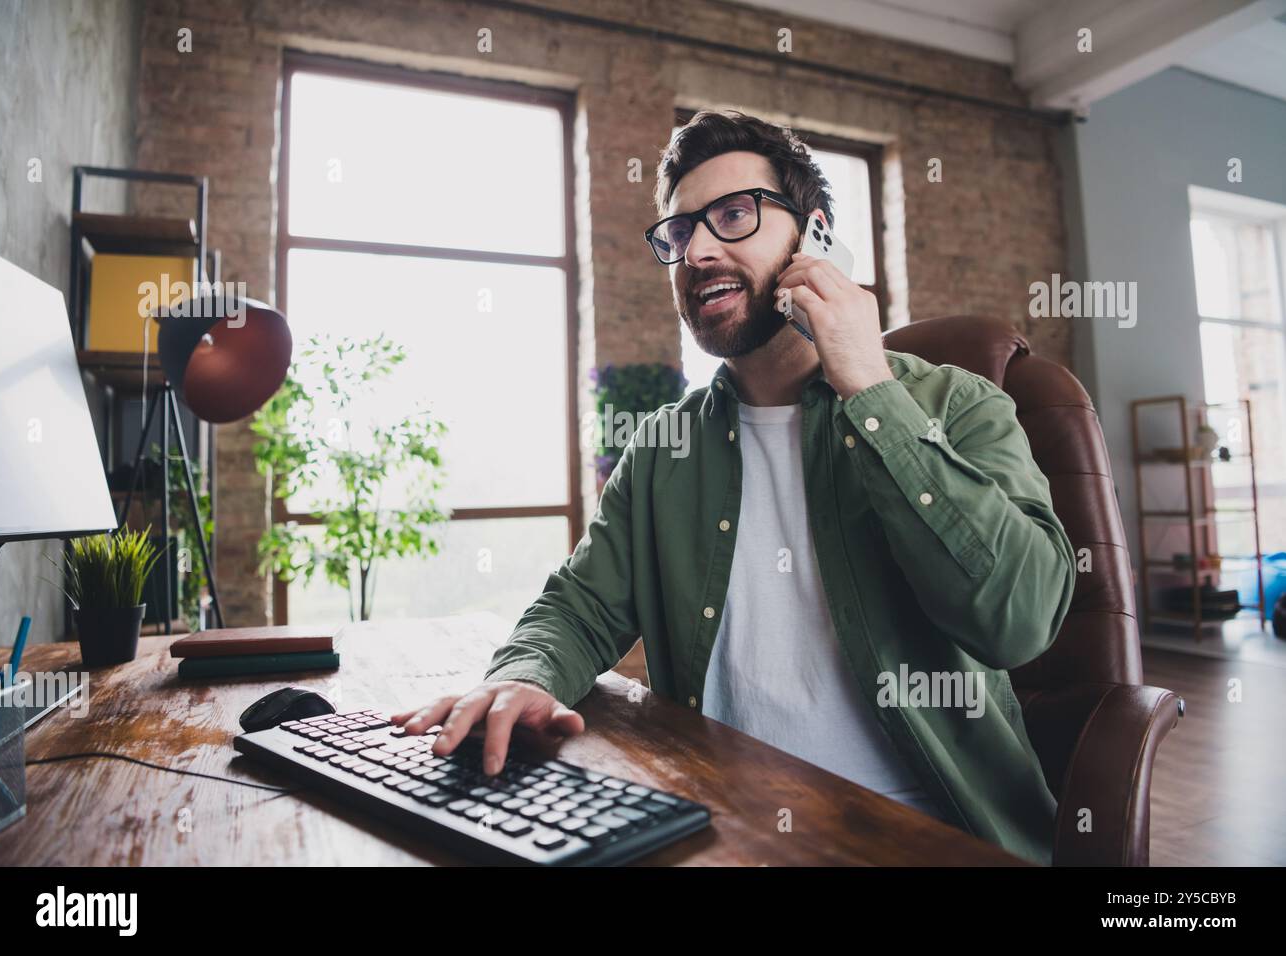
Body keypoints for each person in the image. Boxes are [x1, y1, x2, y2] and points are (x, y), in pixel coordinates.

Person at [391, 109, 1076, 864]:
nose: (699, 251)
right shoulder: (663, 447)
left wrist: (871, 392)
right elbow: (580, 605)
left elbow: (1020, 617)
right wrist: (524, 674)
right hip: (723, 829)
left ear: (813, 236)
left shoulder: (958, 404)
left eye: (733, 215)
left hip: (922, 837)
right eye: (680, 233)